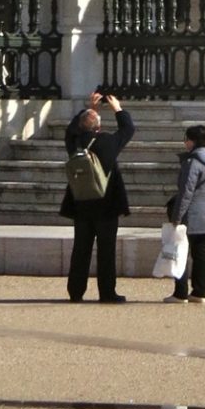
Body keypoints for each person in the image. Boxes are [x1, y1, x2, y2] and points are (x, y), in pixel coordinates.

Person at [61, 89, 135, 304]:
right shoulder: (108, 142)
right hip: (106, 203)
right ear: (99, 127)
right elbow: (128, 129)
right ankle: (107, 292)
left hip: (81, 202)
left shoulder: (75, 143)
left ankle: (76, 291)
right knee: (106, 250)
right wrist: (118, 109)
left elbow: (70, 130)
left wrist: (89, 109)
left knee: (81, 249)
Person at [168, 123, 205, 304]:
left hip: (191, 212)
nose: (185, 143)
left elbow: (186, 192)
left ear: (192, 141)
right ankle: (199, 292)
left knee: (180, 251)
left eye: (186, 139)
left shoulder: (193, 162)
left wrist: (176, 217)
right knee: (200, 253)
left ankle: (180, 292)